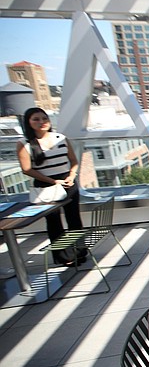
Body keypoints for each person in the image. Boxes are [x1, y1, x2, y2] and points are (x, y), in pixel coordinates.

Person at [16, 108, 85, 266]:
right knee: (54, 223)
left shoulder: (60, 138)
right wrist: (52, 181)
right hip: (45, 185)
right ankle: (64, 256)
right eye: (36, 119)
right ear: (28, 122)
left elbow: (73, 161)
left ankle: (79, 252)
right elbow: (27, 169)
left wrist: (71, 176)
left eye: (44, 118)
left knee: (74, 219)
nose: (41, 122)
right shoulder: (24, 143)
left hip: (67, 182)